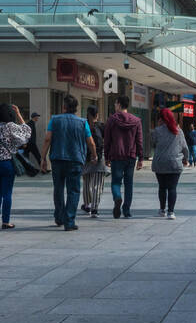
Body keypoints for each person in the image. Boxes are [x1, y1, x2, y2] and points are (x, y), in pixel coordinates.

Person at [43, 96, 94, 230]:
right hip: (75, 160)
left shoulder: (54, 120)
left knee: (58, 189)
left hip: (57, 159)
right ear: (76, 108)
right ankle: (69, 221)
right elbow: (91, 142)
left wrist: (43, 158)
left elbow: (47, 139)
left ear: (63, 107)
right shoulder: (83, 122)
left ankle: (59, 217)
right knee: (73, 190)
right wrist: (94, 155)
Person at [0, 103, 30, 229]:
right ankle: (6, 221)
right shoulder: (9, 126)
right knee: (7, 192)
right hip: (6, 163)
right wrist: (19, 114)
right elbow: (26, 134)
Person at [104, 96, 143, 218]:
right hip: (131, 157)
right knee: (128, 183)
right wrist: (141, 158)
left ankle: (117, 197)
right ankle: (126, 210)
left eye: (116, 103)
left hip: (116, 155)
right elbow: (139, 141)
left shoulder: (111, 120)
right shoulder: (136, 121)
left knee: (116, 182)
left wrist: (106, 157)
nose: (115, 106)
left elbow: (107, 140)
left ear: (119, 105)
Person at [152, 107, 188, 219]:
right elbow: (185, 148)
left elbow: (153, 144)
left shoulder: (157, 131)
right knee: (172, 188)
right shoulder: (178, 131)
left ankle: (162, 210)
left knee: (162, 187)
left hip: (160, 163)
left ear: (161, 119)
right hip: (175, 163)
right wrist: (186, 159)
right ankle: (171, 212)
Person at [81, 105, 107, 217]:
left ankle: (87, 205)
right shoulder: (101, 126)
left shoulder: (83, 125)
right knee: (97, 184)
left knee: (86, 183)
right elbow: (105, 141)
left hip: (85, 158)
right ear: (97, 115)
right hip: (99, 158)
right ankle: (94, 208)